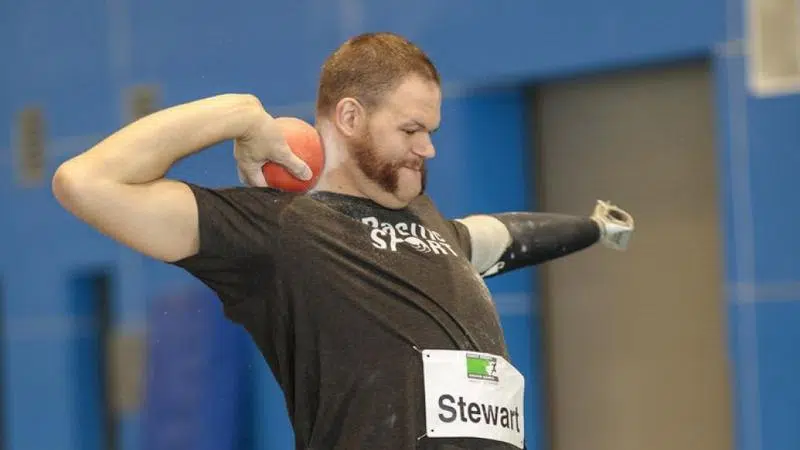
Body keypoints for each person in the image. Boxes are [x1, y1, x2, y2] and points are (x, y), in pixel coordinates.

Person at [52, 32, 634, 449]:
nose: (427, 148)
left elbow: (499, 237)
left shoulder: (436, 228)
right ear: (351, 118)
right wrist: (236, 114)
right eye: (410, 130)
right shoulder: (280, 229)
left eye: (430, 131)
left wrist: (594, 227)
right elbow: (86, 182)